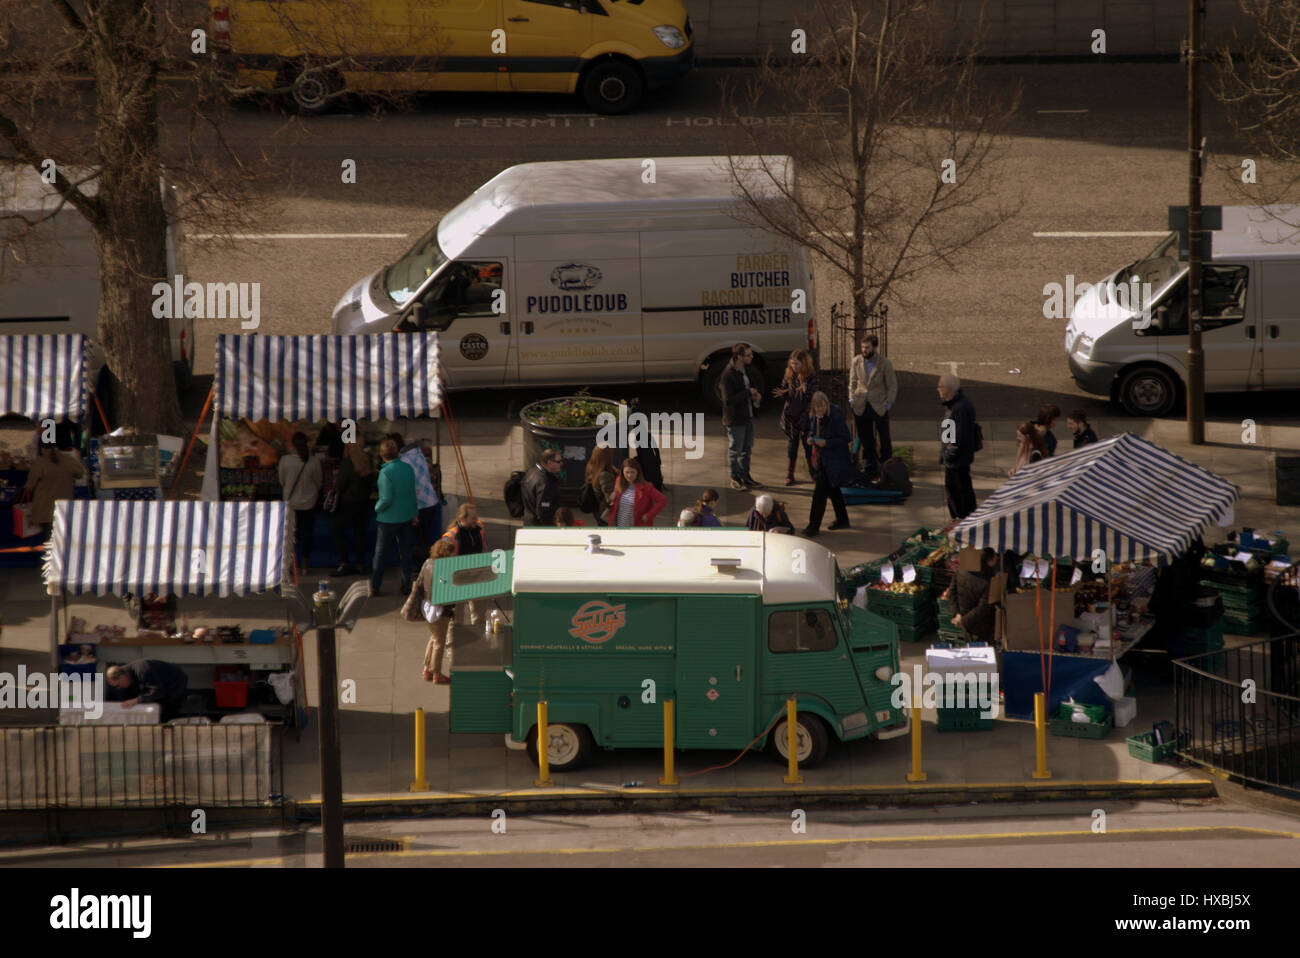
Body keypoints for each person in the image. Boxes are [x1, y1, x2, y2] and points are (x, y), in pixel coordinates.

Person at [370, 438, 418, 597]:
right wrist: (414, 513)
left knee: (380, 553)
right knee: (405, 553)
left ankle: (375, 585)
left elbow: (386, 498)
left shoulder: (385, 473)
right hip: (406, 517)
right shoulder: (408, 468)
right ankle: (406, 585)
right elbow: (412, 494)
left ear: (382, 455)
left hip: (388, 519)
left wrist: (376, 508)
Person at [801, 391, 852, 537]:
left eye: (822, 406)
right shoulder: (813, 417)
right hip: (822, 460)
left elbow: (846, 437)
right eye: (817, 407)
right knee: (833, 490)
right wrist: (810, 438)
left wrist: (827, 443)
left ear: (826, 404)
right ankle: (843, 519)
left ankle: (813, 526)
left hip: (835, 460)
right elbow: (810, 431)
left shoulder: (835, 417)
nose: (820, 409)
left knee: (819, 494)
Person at [848, 334, 898, 480]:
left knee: (885, 439)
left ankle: (886, 469)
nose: (864, 350)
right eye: (863, 347)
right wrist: (852, 399)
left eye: (867, 347)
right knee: (865, 439)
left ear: (874, 348)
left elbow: (892, 385)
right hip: (861, 405)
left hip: (879, 406)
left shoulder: (885, 363)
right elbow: (852, 381)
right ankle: (869, 468)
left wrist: (888, 404)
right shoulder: (856, 361)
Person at [278, 432, 324, 574]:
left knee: (290, 535)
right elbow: (319, 482)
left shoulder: (285, 460)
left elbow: (282, 481)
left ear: (292, 444)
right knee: (307, 535)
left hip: (290, 503)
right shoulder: (314, 461)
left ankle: (291, 565)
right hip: (309, 502)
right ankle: (304, 566)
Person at [772, 349, 819, 486]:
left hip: (806, 416)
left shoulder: (811, 375)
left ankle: (813, 472)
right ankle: (790, 474)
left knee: (808, 446)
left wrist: (806, 391)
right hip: (791, 416)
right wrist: (783, 393)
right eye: (792, 364)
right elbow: (784, 390)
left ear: (804, 363)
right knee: (792, 446)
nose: (794, 367)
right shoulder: (789, 375)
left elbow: (814, 395)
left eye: (797, 364)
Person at [721, 342, 762, 490]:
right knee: (735, 450)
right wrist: (748, 393)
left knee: (747, 449)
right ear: (739, 357)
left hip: (748, 415)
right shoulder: (728, 374)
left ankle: (746, 476)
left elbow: (751, 388)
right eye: (748, 355)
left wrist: (756, 396)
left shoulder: (746, 370)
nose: (751, 357)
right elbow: (728, 399)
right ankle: (735, 477)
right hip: (736, 419)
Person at [938, 374, 978, 520]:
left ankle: (960, 522)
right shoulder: (954, 405)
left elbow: (959, 438)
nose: (938, 390)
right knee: (955, 494)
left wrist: (948, 454)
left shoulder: (959, 408)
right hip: (954, 460)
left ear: (948, 389)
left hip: (956, 462)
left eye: (940, 387)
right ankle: (958, 520)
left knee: (959, 495)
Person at [440, 501, 487, 624]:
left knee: (479, 613)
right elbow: (442, 561)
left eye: (476, 517)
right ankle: (454, 641)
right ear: (462, 518)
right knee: (456, 616)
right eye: (473, 518)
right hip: (458, 579)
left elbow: (484, 548)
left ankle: (479, 637)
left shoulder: (479, 528)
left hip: (476, 577)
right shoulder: (450, 537)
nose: (476, 520)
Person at [328, 440, 370, 576]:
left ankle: (345, 562)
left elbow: (340, 484)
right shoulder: (365, 461)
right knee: (360, 533)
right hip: (362, 502)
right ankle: (361, 564)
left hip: (348, 503)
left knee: (337, 530)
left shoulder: (348, 463)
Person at [22, 440, 85, 530]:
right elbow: (80, 473)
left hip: (44, 510)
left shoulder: (40, 462)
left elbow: (30, 485)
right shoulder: (68, 459)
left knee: (46, 539)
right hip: (64, 508)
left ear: (42, 448)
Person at [420, 539, 458, 685]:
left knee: (433, 638)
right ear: (445, 553)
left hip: (427, 606)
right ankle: (437, 673)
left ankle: (427, 668)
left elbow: (419, 583)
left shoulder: (427, 563)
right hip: (440, 610)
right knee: (439, 643)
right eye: (451, 553)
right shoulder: (443, 569)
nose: (453, 555)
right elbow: (446, 592)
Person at [106, 659, 189, 722]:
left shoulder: (143, 669)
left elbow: (158, 691)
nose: (118, 688)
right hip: (153, 686)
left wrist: (137, 700)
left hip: (174, 683)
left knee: (167, 713)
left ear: (123, 677)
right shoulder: (126, 679)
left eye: (118, 685)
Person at [949, 548, 1000, 646]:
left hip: (964, 619)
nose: (996, 558)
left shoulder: (961, 570)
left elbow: (951, 592)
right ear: (989, 560)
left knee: (969, 648)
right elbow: (983, 607)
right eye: (994, 557)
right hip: (980, 624)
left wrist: (957, 614)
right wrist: (963, 620)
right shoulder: (988, 580)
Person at [607, 458, 667, 527]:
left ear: (637, 472)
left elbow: (662, 500)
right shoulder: (619, 481)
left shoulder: (647, 487)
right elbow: (614, 502)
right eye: (627, 472)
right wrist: (613, 495)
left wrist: (648, 515)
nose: (629, 475)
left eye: (632, 472)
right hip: (619, 525)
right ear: (622, 472)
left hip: (636, 527)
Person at [522, 449, 563, 526]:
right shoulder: (545, 483)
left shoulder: (532, 472)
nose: (561, 463)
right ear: (549, 462)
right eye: (558, 462)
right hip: (539, 528)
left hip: (528, 521)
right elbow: (543, 512)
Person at [583, 446, 619, 527]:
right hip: (605, 513)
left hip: (597, 510)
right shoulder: (604, 475)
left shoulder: (591, 467)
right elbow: (609, 498)